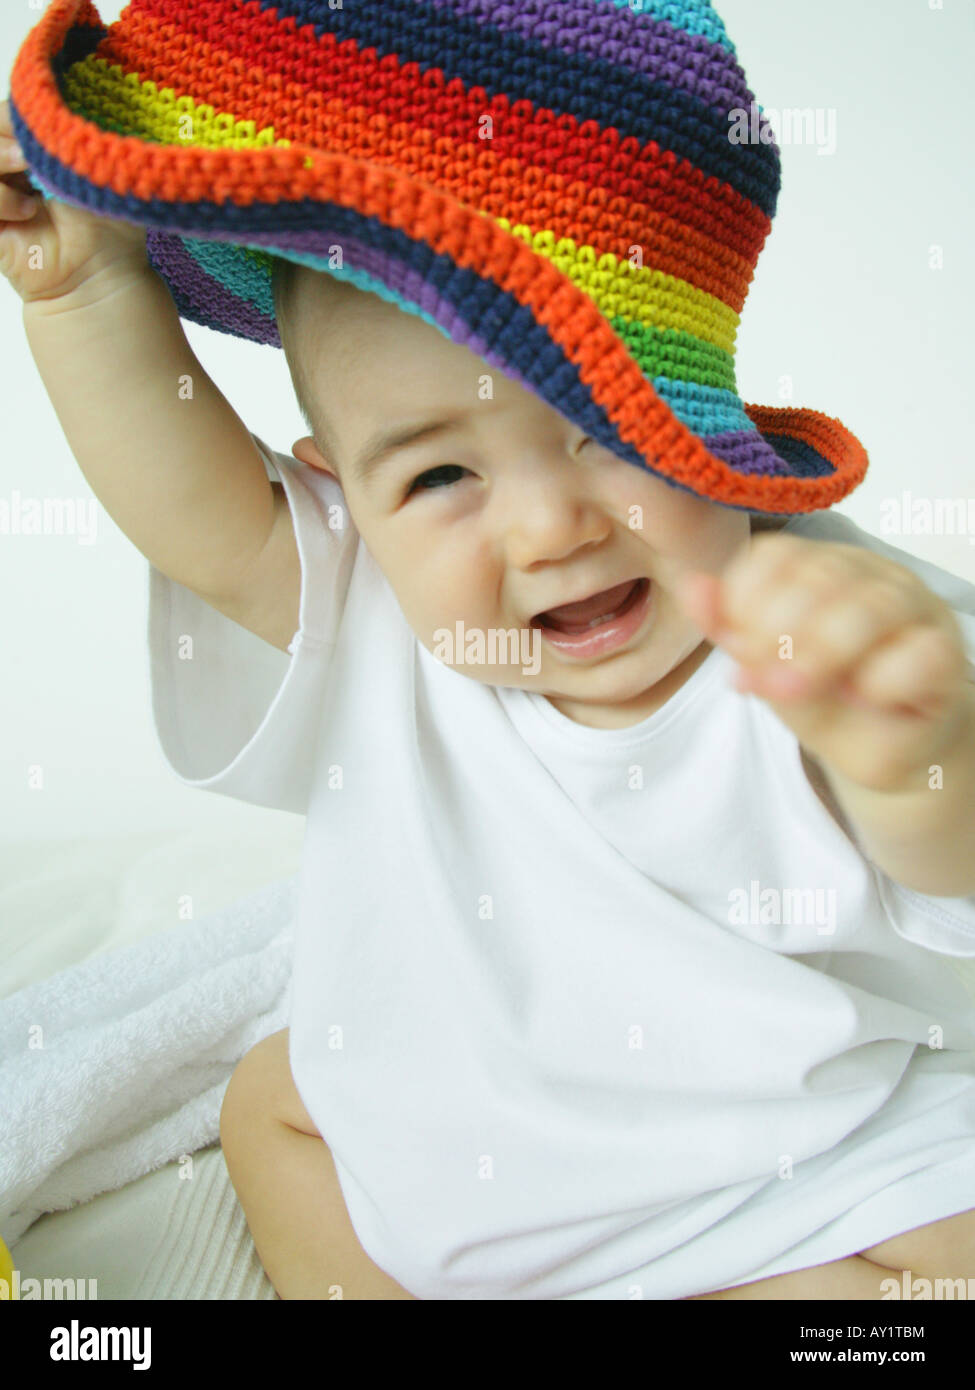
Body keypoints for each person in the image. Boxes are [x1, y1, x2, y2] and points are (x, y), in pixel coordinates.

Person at [3, 0, 975, 1300]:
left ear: (709, 420)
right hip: (464, 1131)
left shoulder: (823, 619)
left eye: (606, 429)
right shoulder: (374, 607)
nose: (551, 527)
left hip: (781, 1154)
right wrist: (85, 288)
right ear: (340, 493)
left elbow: (953, 859)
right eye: (440, 476)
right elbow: (193, 512)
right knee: (272, 1105)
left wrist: (918, 749)